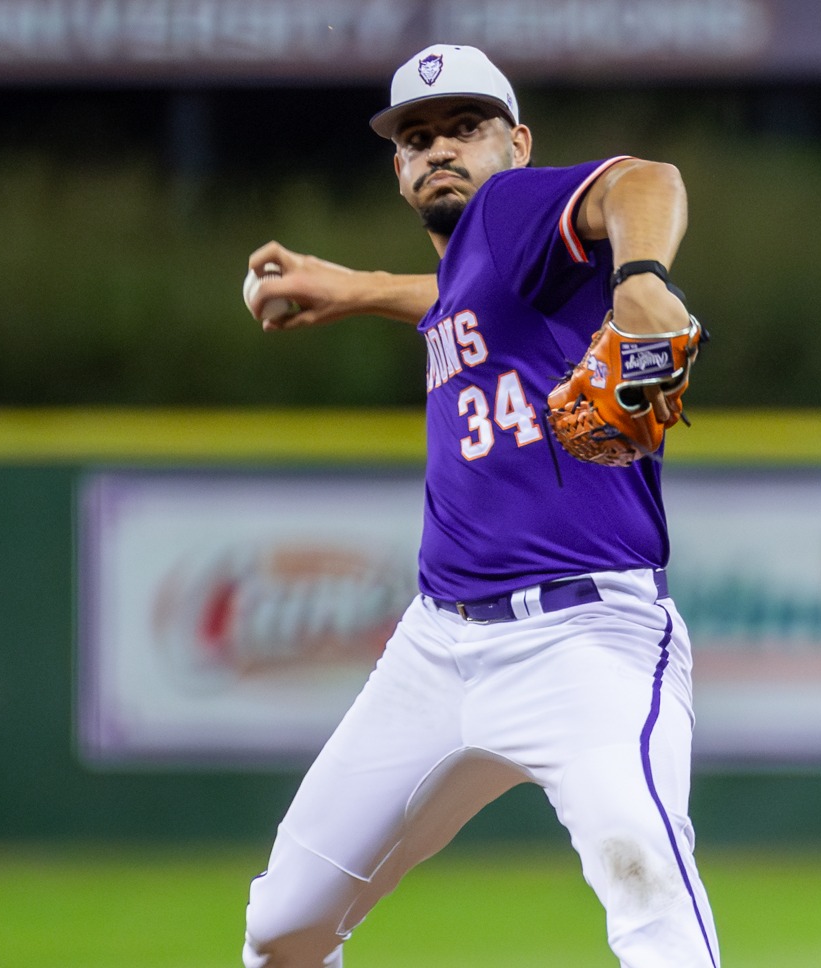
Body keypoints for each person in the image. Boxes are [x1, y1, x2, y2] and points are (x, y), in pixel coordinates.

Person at [238, 44, 719, 968]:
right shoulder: (482, 270)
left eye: (465, 127)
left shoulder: (512, 212)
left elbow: (644, 179)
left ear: (518, 145)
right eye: (416, 137)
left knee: (647, 889)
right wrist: (356, 288)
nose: (439, 149)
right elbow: (454, 297)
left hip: (583, 642)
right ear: (397, 168)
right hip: (436, 649)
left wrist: (641, 276)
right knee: (282, 929)